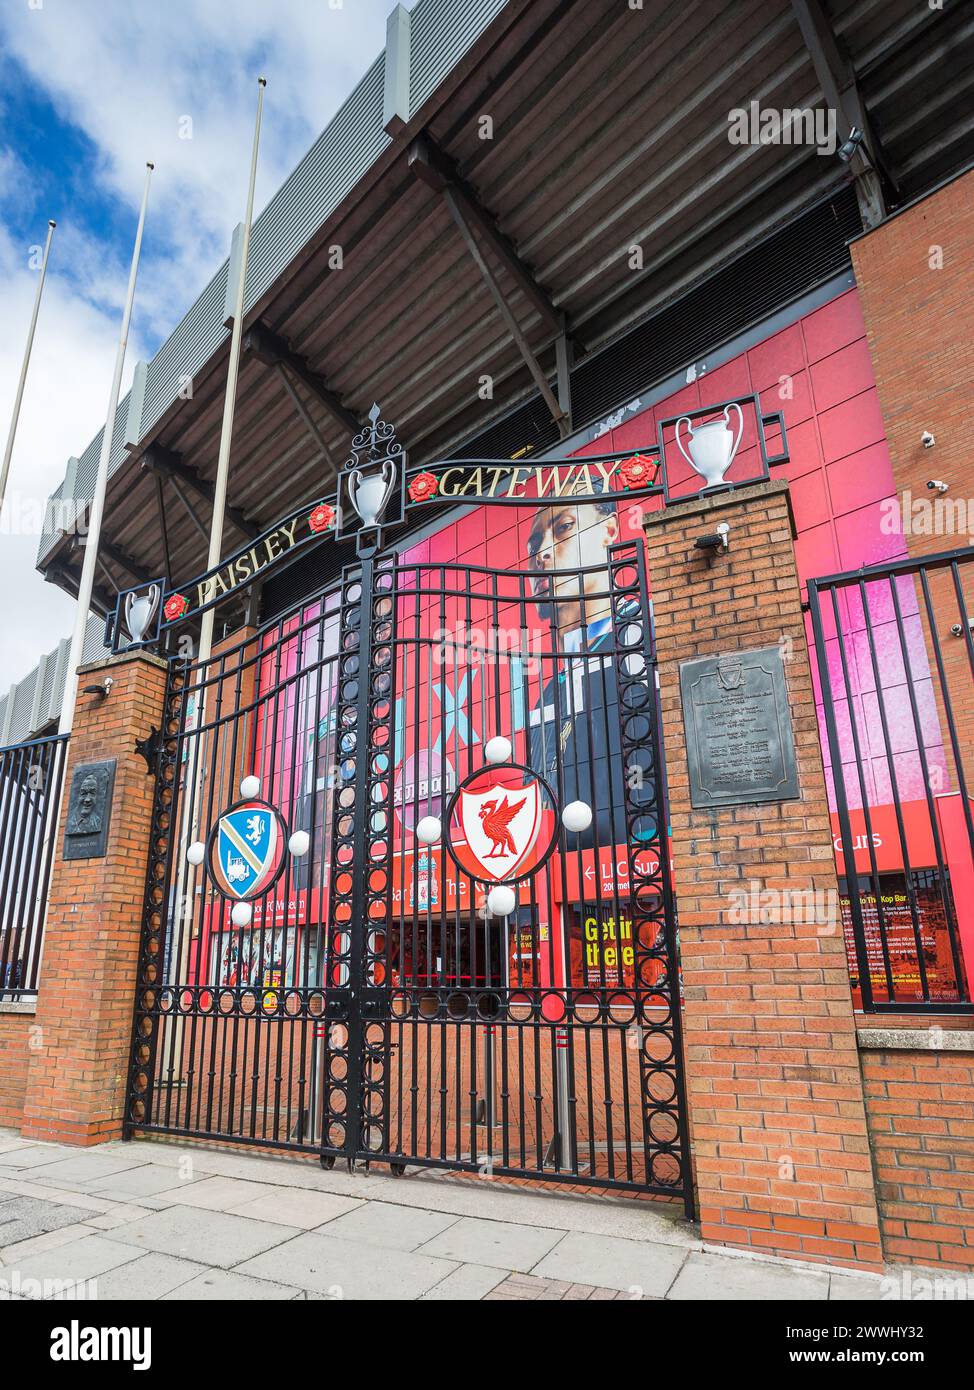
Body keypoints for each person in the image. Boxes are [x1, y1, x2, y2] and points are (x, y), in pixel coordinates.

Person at [524, 483, 652, 851]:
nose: (543, 555)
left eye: (563, 528)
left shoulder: (642, 637)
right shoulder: (546, 698)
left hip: (640, 859)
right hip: (570, 870)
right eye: (534, 545)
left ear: (609, 530)